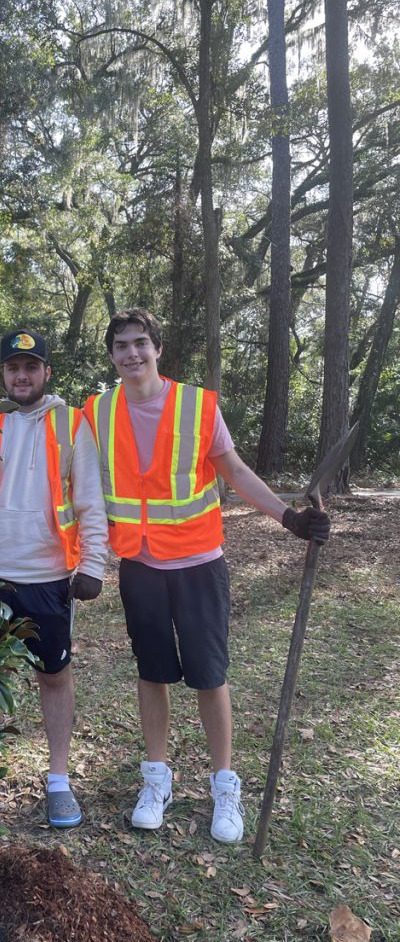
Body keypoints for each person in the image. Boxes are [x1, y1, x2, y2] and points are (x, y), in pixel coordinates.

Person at [84, 309, 330, 843]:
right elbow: (74, 474)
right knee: (153, 674)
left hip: (198, 563)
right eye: (121, 345)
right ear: (111, 355)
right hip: (139, 566)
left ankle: (225, 787)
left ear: (158, 349)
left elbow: (235, 470)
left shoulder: (197, 405)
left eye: (140, 343)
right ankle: (156, 781)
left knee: (209, 676)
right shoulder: (95, 411)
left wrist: (288, 518)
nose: (132, 354)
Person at [0, 328, 108, 828]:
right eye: (13, 367)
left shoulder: (72, 423)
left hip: (49, 577)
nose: (21, 375)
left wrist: (93, 565)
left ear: (46, 372)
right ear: (3, 374)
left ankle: (58, 781)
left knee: (53, 677)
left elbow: (91, 501)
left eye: (31, 366)